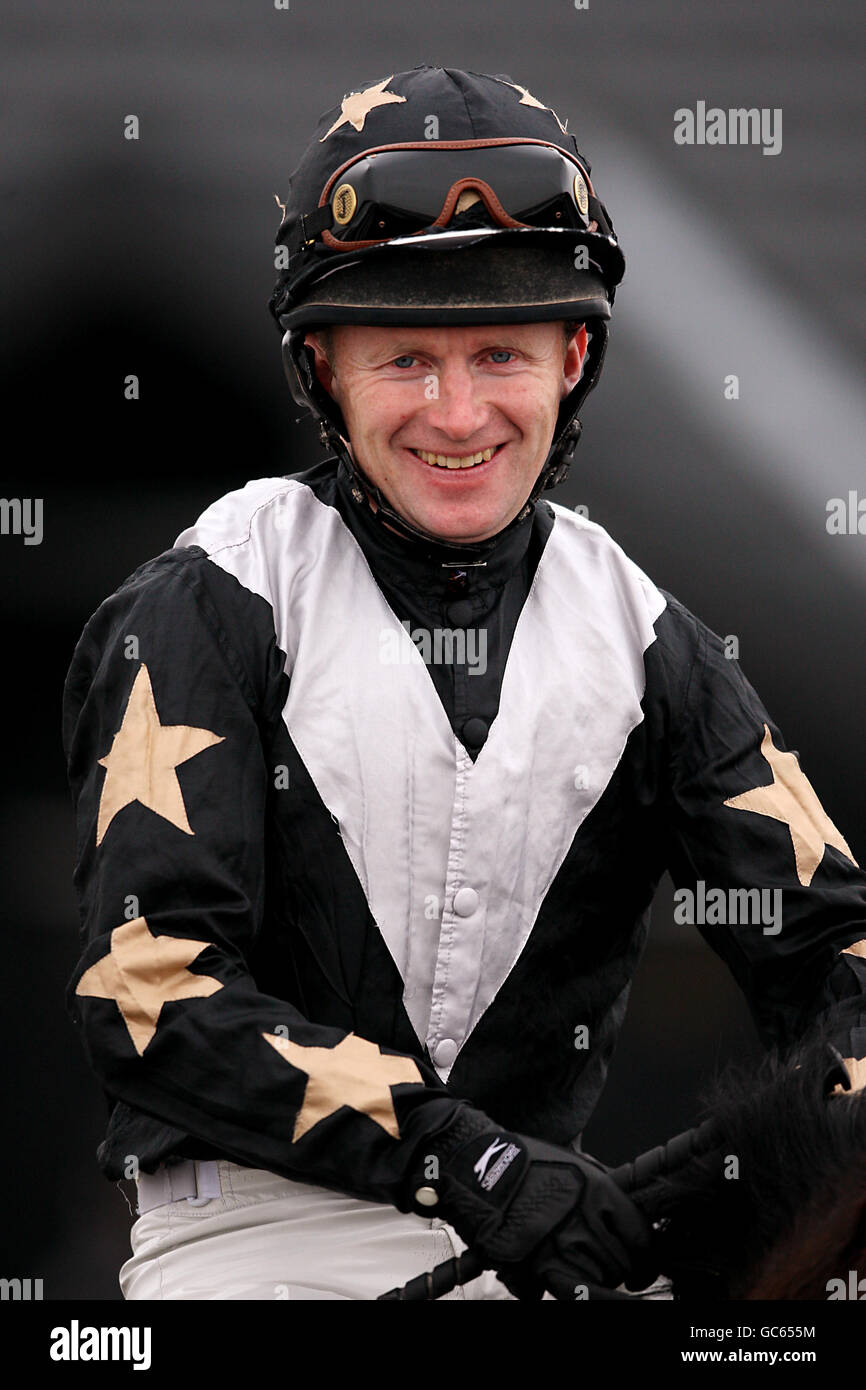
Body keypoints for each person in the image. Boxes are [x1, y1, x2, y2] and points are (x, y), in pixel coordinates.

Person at [62, 65, 866, 1301]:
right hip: (256, 1252)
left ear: (574, 357)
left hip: (556, 1258)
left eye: (500, 351)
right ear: (320, 370)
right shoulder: (206, 600)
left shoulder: (648, 637)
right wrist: (460, 1158)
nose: (455, 412)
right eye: (403, 360)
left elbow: (832, 947)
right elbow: (148, 992)